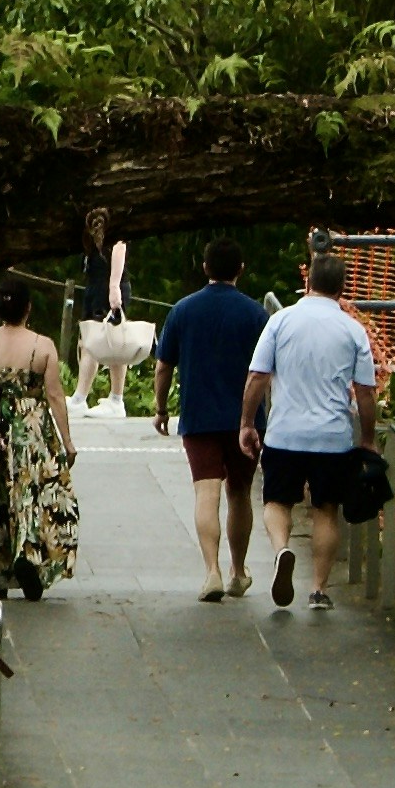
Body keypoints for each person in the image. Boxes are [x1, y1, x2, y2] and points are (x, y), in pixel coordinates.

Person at [240, 235, 384, 611]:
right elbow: (366, 392)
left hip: (285, 431)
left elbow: (257, 376)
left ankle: (281, 549)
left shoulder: (281, 320)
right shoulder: (353, 330)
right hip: (332, 437)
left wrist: (246, 423)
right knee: (325, 510)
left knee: (276, 500)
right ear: (342, 288)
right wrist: (367, 438)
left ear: (308, 282)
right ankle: (319, 589)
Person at [149, 237, 273, 600]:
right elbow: (265, 372)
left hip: (199, 416)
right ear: (241, 269)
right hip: (245, 420)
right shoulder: (255, 314)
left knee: (206, 493)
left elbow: (162, 367)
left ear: (205, 268)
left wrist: (161, 409)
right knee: (239, 494)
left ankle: (212, 572)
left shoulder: (183, 310)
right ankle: (237, 571)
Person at [0, 278, 81, 595]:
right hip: (32, 428)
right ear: (28, 308)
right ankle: (29, 555)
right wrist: (67, 442)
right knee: (31, 497)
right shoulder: (43, 346)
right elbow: (54, 396)